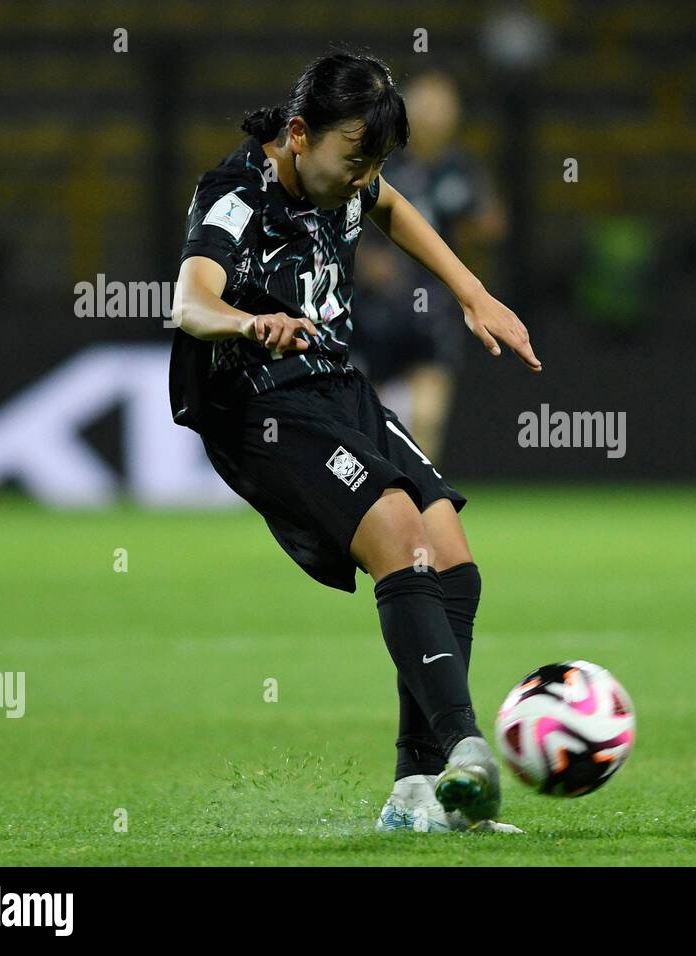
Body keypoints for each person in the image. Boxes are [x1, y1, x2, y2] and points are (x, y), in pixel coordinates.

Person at [167, 49, 541, 833]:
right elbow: (192, 302)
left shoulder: (350, 168)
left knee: (453, 555)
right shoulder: (236, 193)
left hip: (336, 384)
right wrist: (249, 320)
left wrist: (473, 293)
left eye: (374, 160)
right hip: (260, 399)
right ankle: (463, 750)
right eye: (352, 157)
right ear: (299, 133)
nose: (361, 175)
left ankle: (414, 796)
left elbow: (393, 207)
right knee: (403, 540)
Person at [346, 70, 508, 462]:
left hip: (433, 304)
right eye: (428, 105)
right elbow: (345, 216)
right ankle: (375, 492)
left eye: (444, 106)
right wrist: (366, 260)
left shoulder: (462, 168)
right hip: (377, 305)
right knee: (369, 414)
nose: (436, 115)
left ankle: (423, 493)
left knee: (427, 416)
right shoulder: (383, 161)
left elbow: (491, 224)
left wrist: (477, 229)